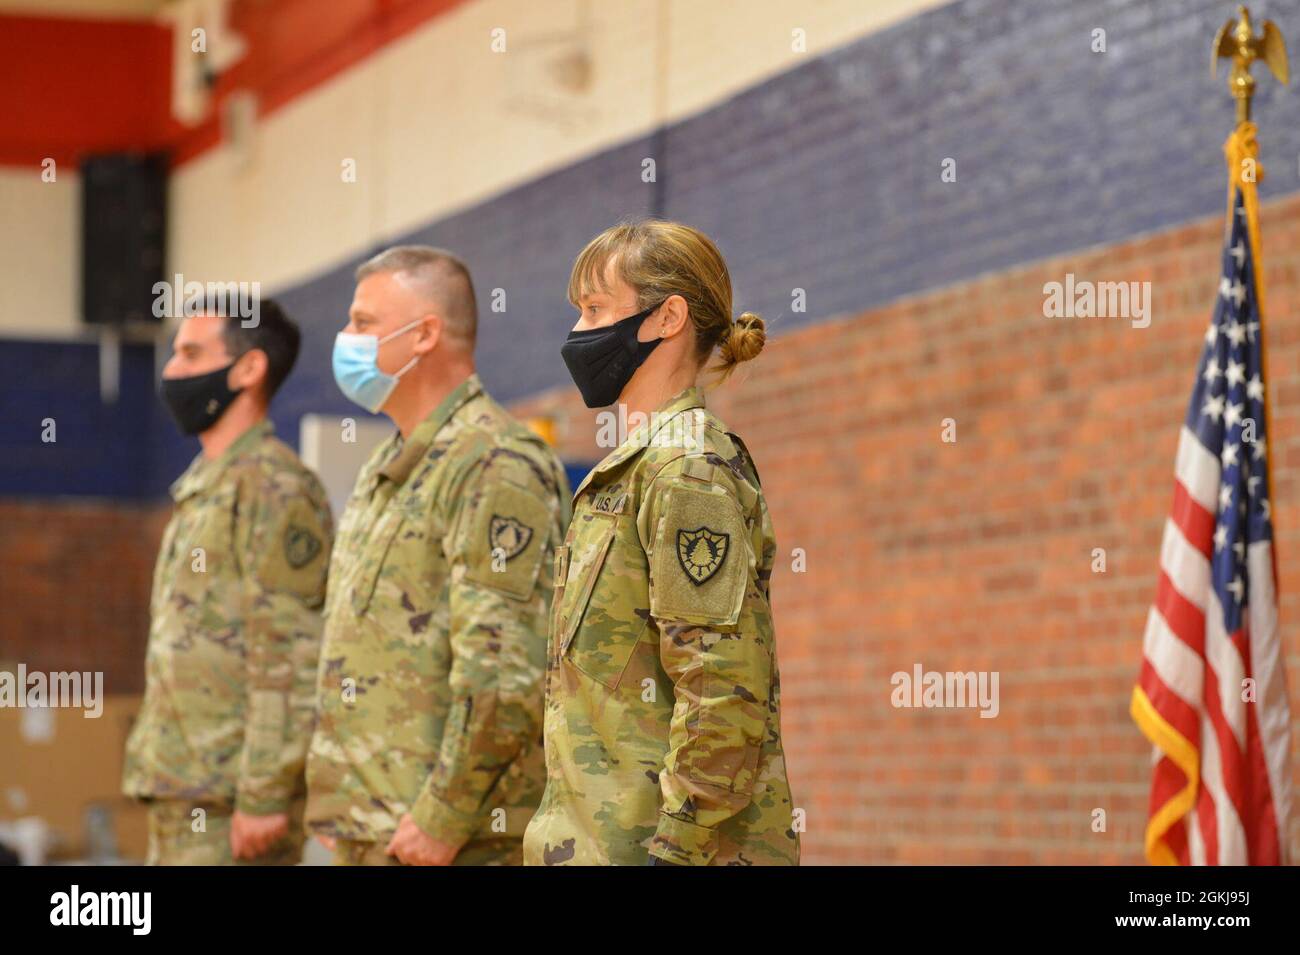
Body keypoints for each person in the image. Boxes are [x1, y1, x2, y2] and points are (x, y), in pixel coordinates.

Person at [524, 220, 800, 866]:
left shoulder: (687, 466)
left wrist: (675, 855)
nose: (578, 333)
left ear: (667, 317)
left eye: (595, 309)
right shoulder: (633, 467)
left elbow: (721, 691)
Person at [305, 246, 570, 865]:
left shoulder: (493, 462)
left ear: (423, 335)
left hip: (452, 843)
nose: (347, 338)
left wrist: (444, 816)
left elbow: (504, 672)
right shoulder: (389, 464)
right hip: (375, 830)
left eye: (364, 323)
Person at [122, 298, 333, 865]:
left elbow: (290, 653)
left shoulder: (274, 487)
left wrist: (264, 795)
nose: (171, 371)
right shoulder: (204, 485)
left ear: (248, 369)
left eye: (191, 354)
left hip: (232, 801)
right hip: (183, 787)